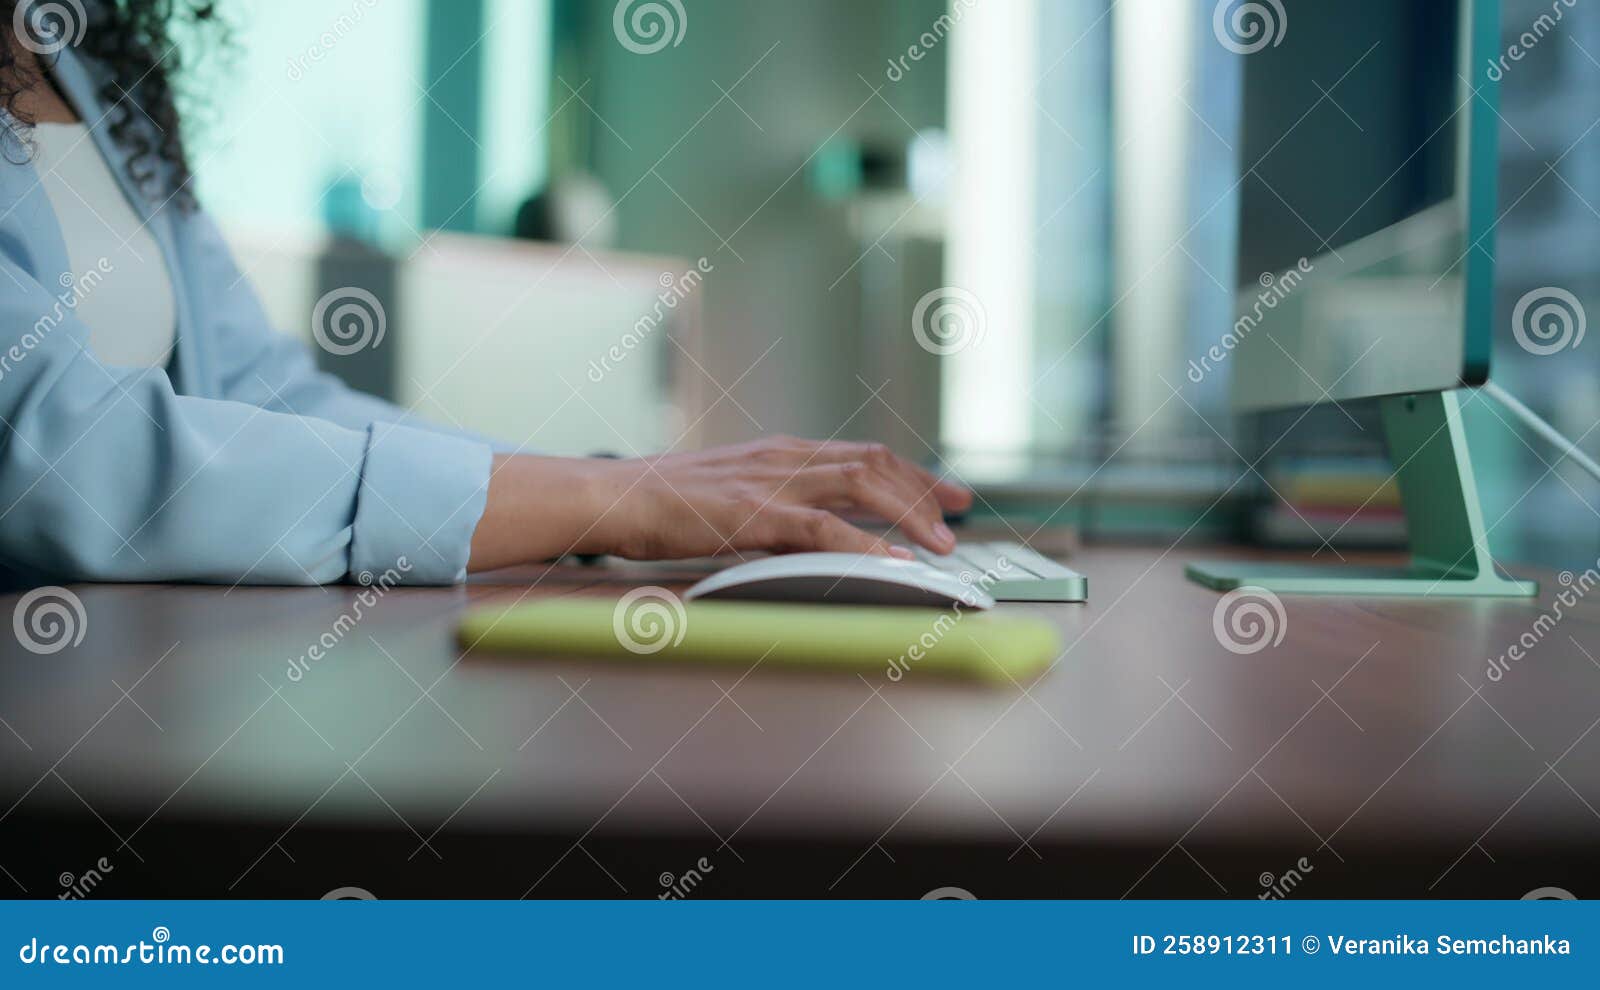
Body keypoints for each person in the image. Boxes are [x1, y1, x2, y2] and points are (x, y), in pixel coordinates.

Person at [0, 2, 968, 586]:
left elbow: (261, 395)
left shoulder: (86, 53)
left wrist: (623, 491)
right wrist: (605, 502)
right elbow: (66, 460)